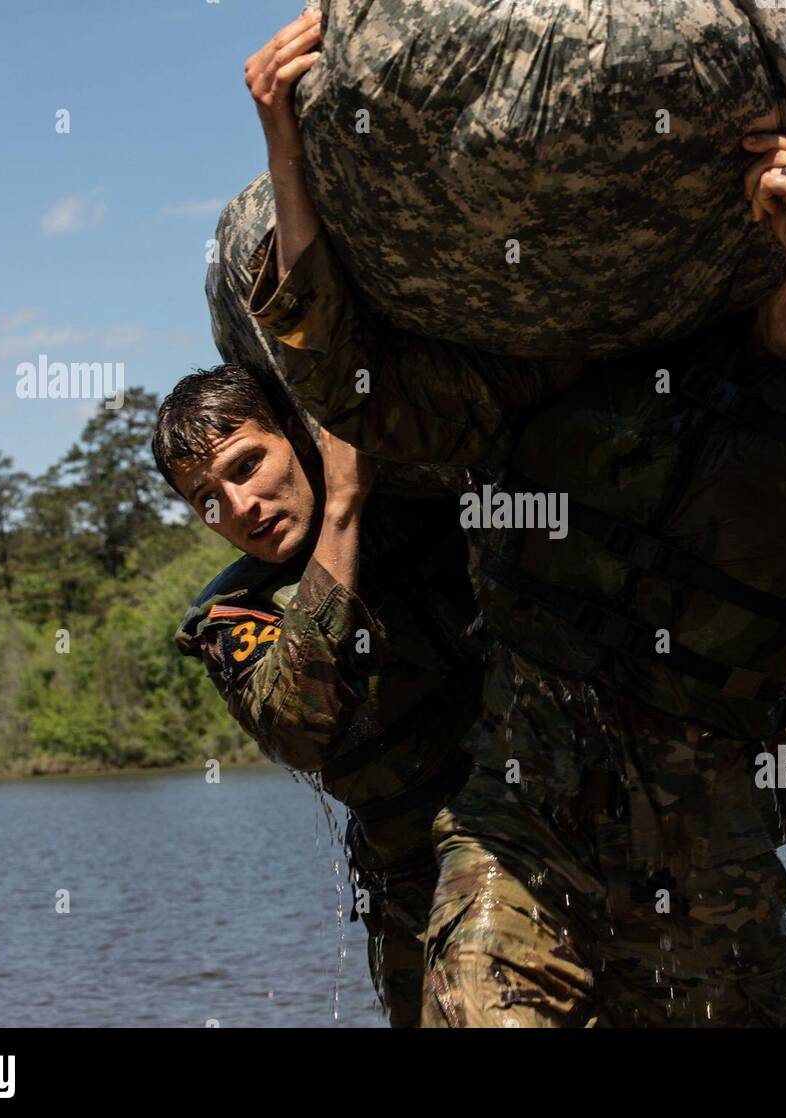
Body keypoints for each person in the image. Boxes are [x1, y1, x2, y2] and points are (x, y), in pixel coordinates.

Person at [222, 14, 786, 1026]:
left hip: (709, 836)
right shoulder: (610, 336)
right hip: (522, 805)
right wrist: (284, 141)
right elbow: (352, 379)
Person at [153, 364, 482, 1027]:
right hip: (413, 889)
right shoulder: (235, 616)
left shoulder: (426, 496)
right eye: (206, 498)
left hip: (547, 822)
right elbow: (297, 727)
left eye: (247, 466)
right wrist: (342, 510)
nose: (239, 507)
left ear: (302, 436)